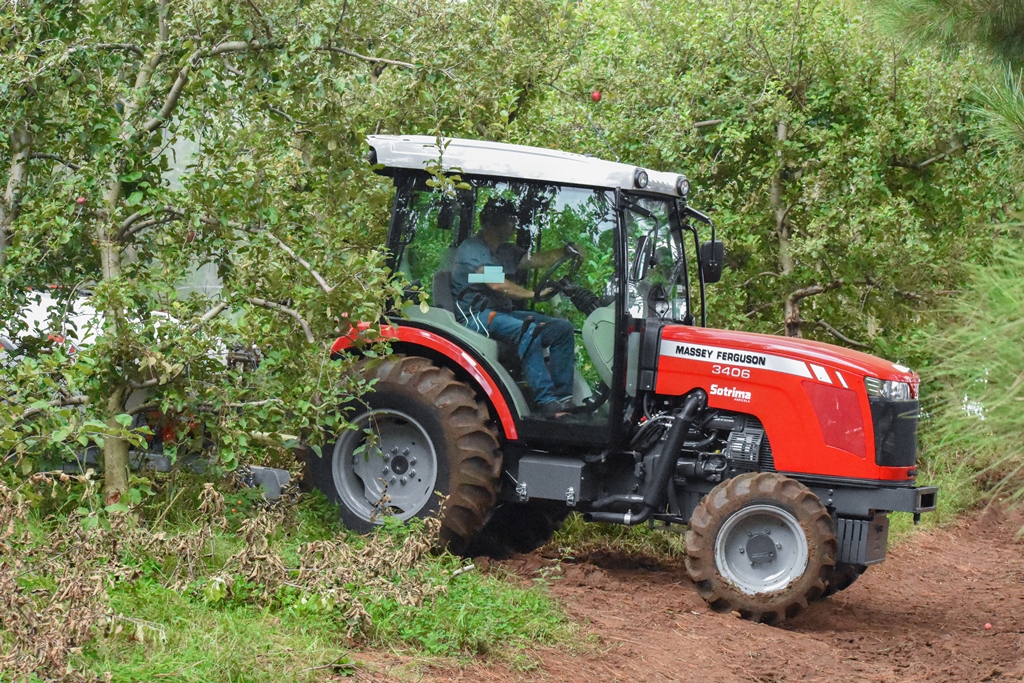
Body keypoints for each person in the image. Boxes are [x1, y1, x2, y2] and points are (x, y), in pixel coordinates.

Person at [450, 198, 579, 415]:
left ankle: (564, 399)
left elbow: (534, 260)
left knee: (562, 330)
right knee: (527, 330)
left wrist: (566, 252)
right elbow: (496, 283)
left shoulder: (504, 250)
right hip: (476, 316)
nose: (515, 226)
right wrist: (533, 295)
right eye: (511, 220)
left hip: (502, 313)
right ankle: (546, 401)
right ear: (495, 222)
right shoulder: (471, 249)